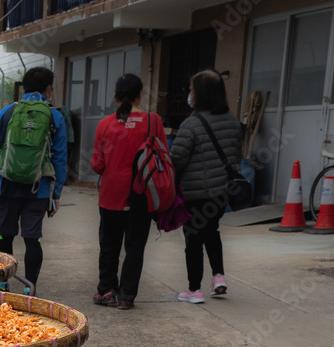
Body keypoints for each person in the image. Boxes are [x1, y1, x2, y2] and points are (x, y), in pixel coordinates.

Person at [0, 67, 68, 294]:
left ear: (24, 87)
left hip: (6, 184)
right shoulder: (55, 116)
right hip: (38, 187)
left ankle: (2, 282)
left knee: (5, 235)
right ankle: (29, 288)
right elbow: (60, 158)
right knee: (33, 239)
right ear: (48, 88)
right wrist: (56, 193)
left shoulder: (6, 113)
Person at [89, 73, 166, 311]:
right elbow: (163, 157)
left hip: (111, 195)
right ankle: (127, 296)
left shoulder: (105, 124)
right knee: (135, 246)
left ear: (115, 97)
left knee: (109, 245)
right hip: (142, 195)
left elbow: (97, 165)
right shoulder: (154, 121)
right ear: (140, 95)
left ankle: (107, 291)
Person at [171, 69, 242, 304]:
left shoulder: (191, 124)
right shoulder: (233, 121)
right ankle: (218, 277)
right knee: (212, 232)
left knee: (193, 238)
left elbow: (178, 160)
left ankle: (194, 290)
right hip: (222, 193)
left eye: (191, 90)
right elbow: (236, 156)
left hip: (195, 193)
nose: (189, 94)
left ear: (200, 94)